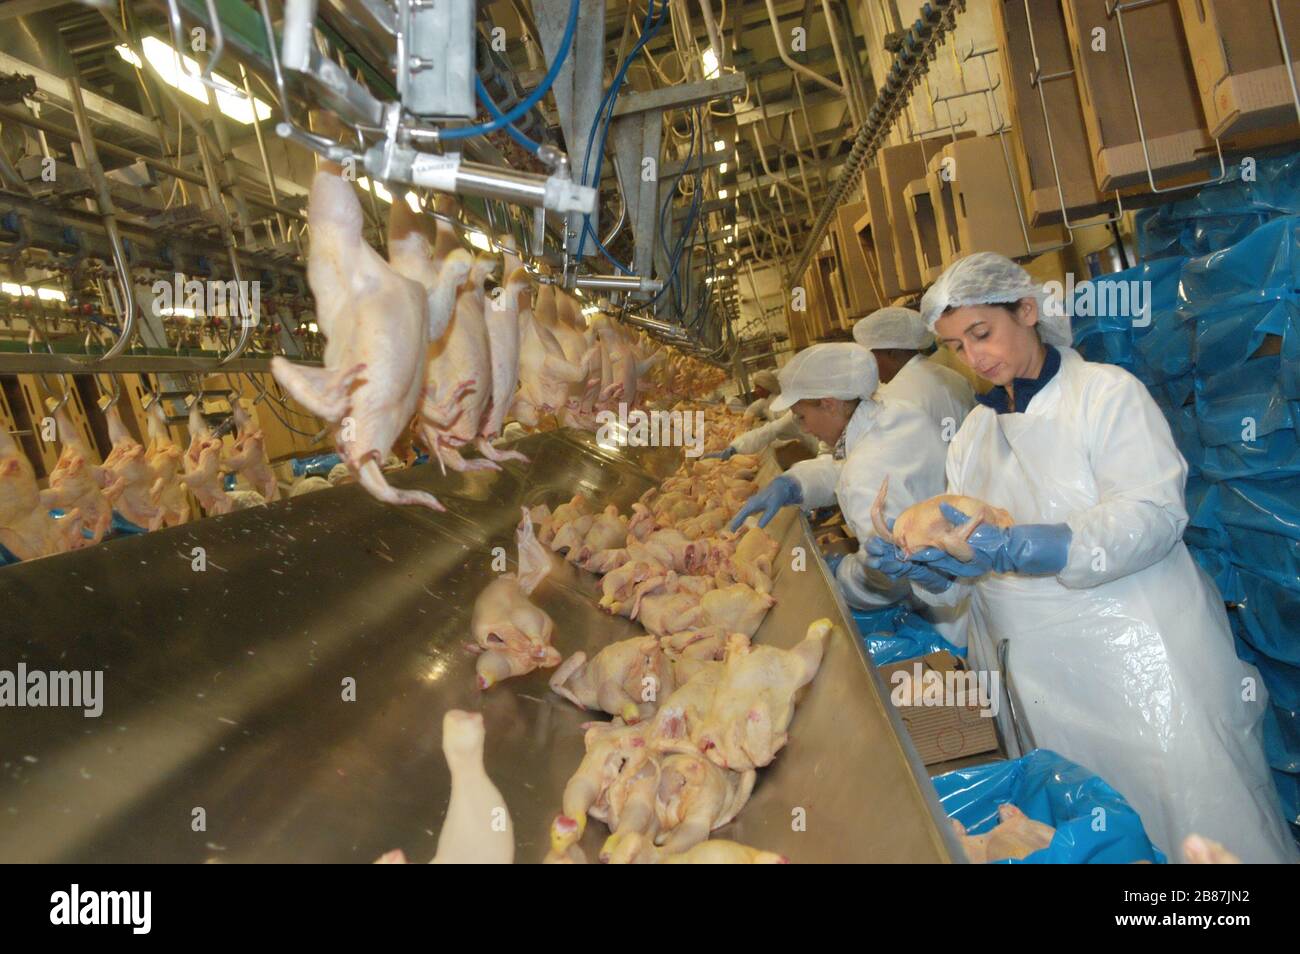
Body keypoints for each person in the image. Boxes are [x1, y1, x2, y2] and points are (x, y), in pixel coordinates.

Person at [866, 251, 1298, 863]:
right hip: (1043, 679)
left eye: (982, 333)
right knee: (1098, 830)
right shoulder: (971, 438)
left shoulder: (1105, 395)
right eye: (957, 347)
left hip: (1142, 663)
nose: (975, 357)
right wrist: (937, 571)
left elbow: (1152, 515)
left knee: (1195, 815)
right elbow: (970, 574)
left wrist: (1038, 543)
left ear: (1027, 310)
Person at [728, 343, 948, 611]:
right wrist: (796, 483)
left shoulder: (864, 469)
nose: (805, 428)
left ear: (831, 405)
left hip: (936, 604)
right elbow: (850, 468)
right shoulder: (895, 412)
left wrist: (841, 576)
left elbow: (889, 580)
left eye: (802, 417)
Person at [852, 306, 974, 433]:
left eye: (872, 357)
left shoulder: (889, 399)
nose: (870, 366)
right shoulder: (956, 378)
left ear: (892, 352)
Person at [707, 369, 821, 461]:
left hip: (810, 450)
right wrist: (735, 449)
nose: (756, 391)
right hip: (815, 453)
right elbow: (769, 430)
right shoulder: (789, 413)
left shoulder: (784, 409)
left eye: (758, 387)